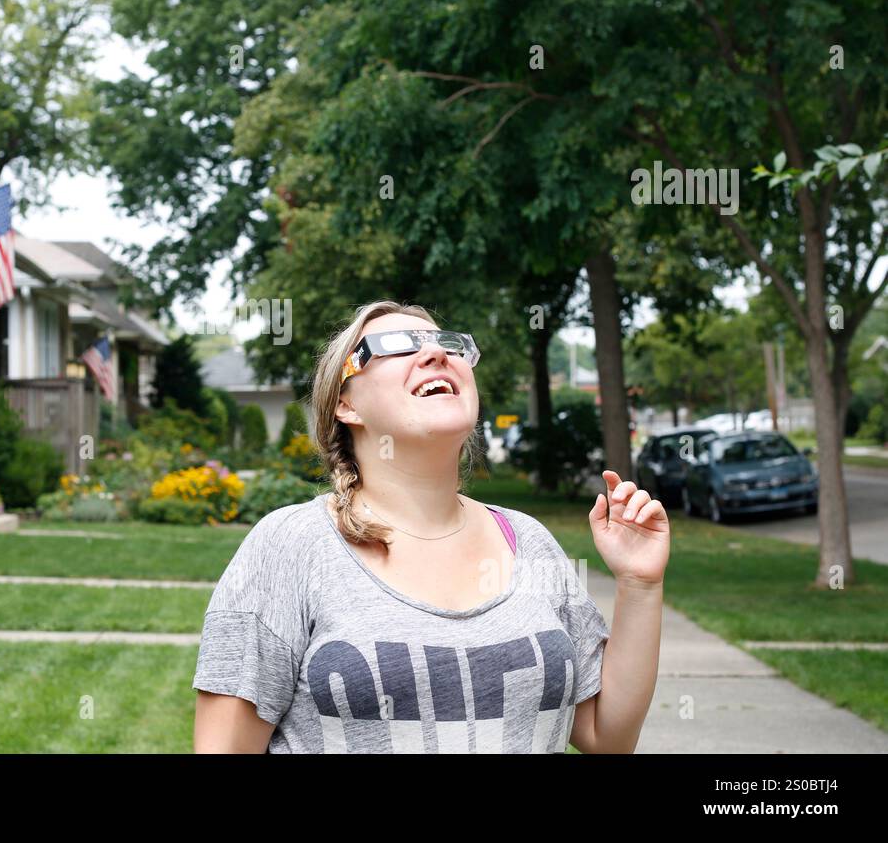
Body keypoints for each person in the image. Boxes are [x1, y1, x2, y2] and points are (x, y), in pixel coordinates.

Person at [192, 300, 668, 753]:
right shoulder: (291, 548)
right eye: (398, 346)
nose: (436, 353)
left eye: (446, 343)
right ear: (347, 405)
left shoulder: (528, 543)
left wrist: (640, 584)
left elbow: (607, 737)